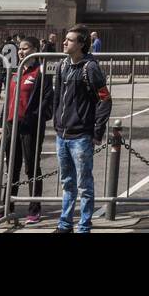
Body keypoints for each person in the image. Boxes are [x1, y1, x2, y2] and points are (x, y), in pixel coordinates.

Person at [51, 26, 105, 233]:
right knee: (67, 183)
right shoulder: (62, 66)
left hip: (81, 135)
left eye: (70, 40)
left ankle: (84, 226)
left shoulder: (90, 68)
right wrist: (57, 121)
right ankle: (65, 224)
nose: (64, 43)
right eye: (65, 39)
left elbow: (104, 99)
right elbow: (58, 97)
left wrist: (97, 132)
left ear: (81, 44)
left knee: (84, 185)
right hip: (62, 134)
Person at [0, 36, 51, 226]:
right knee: (12, 168)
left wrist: (33, 118)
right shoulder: (15, 72)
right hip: (12, 125)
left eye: (25, 48)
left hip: (30, 128)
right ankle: (6, 207)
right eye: (20, 48)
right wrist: (1, 125)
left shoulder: (40, 73)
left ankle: (34, 209)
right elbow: (8, 102)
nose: (21, 52)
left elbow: (47, 103)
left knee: (31, 168)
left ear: (35, 49)